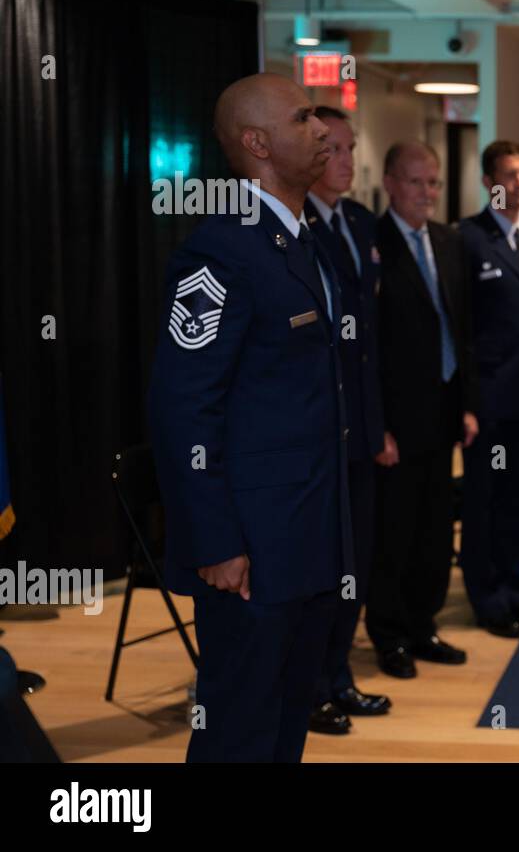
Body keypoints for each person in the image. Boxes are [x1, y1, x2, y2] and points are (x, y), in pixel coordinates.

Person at [149, 72, 350, 762]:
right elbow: (182, 406)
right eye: (303, 120)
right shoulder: (222, 251)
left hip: (306, 537)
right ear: (257, 143)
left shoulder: (296, 237)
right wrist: (214, 542)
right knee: (237, 731)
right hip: (250, 552)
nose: (323, 129)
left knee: (286, 722)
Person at [368, 142, 478, 677]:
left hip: (443, 407)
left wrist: (468, 405)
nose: (427, 193)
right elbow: (365, 343)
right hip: (395, 416)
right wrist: (376, 425)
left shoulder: (448, 240)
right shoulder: (372, 242)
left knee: (435, 529)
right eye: (416, 182)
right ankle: (388, 634)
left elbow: (462, 329)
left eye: (433, 182)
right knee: (395, 530)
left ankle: (422, 625)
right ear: (389, 182)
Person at [301, 107, 392, 733]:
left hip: (358, 425)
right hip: (316, 433)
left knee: (354, 563)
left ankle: (339, 675)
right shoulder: (295, 227)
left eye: (350, 148)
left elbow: (371, 345)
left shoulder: (359, 222)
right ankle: (310, 688)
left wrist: (378, 423)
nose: (345, 159)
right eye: (332, 147)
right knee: (320, 568)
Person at [458, 141, 519, 637]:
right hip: (493, 401)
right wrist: (468, 403)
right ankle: (488, 596)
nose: (518, 183)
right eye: (508, 174)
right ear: (488, 180)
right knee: (487, 502)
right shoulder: (467, 239)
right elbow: (462, 329)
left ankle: (518, 590)